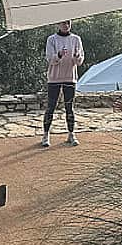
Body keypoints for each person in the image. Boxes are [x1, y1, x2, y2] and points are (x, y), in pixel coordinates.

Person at [42, 19, 85, 148]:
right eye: (63, 23)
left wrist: (77, 56)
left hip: (70, 78)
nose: (66, 26)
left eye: (68, 23)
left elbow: (80, 61)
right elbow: (50, 59)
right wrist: (59, 55)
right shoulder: (52, 39)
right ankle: (45, 135)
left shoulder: (76, 39)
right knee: (51, 107)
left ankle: (71, 134)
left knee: (69, 107)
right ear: (58, 24)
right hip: (54, 78)